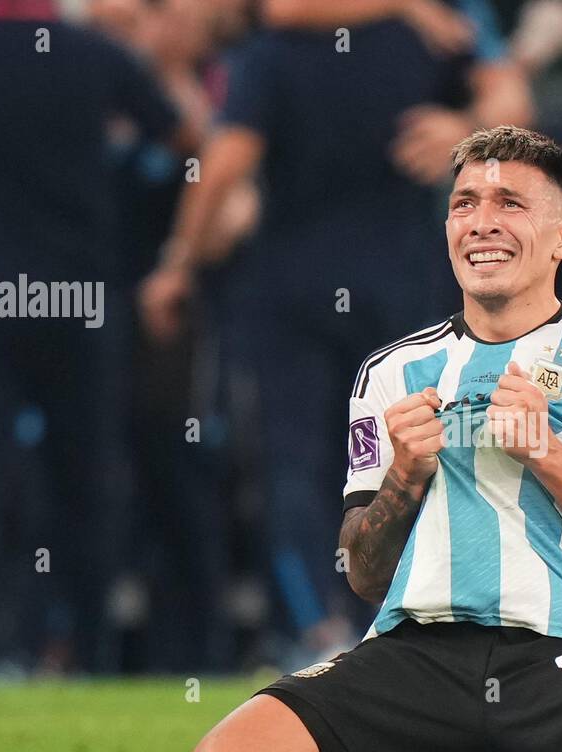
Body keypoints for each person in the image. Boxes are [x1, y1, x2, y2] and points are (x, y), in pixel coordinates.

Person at [176, 126, 562, 752]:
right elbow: (364, 574)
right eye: (464, 203)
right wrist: (403, 480)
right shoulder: (389, 372)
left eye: (510, 203)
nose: (482, 222)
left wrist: (548, 454)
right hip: (412, 658)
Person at [140, 1, 531, 666]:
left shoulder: (272, 54)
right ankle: (401, 627)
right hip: (404, 290)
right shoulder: (421, 38)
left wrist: (179, 260)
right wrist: (469, 126)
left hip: (292, 288)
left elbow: (228, 158)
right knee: (408, 458)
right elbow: (513, 102)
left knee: (295, 465)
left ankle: (318, 628)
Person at [0, 0, 194, 672]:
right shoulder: (95, 55)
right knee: (86, 482)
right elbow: (179, 132)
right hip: (77, 300)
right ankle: (90, 654)